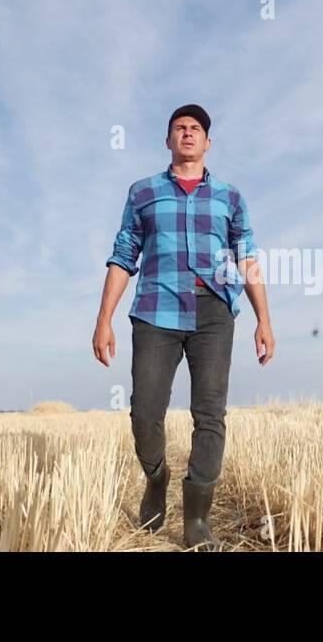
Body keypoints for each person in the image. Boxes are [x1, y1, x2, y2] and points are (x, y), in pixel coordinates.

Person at [92, 104, 275, 551]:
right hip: (155, 311)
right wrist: (104, 319)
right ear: (168, 140)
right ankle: (156, 479)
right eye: (179, 128)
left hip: (214, 313)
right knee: (144, 413)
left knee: (210, 416)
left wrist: (263, 320)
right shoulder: (143, 192)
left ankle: (196, 516)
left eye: (195, 129)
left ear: (207, 142)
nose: (188, 134)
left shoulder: (230, 198)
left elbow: (247, 257)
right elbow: (122, 255)